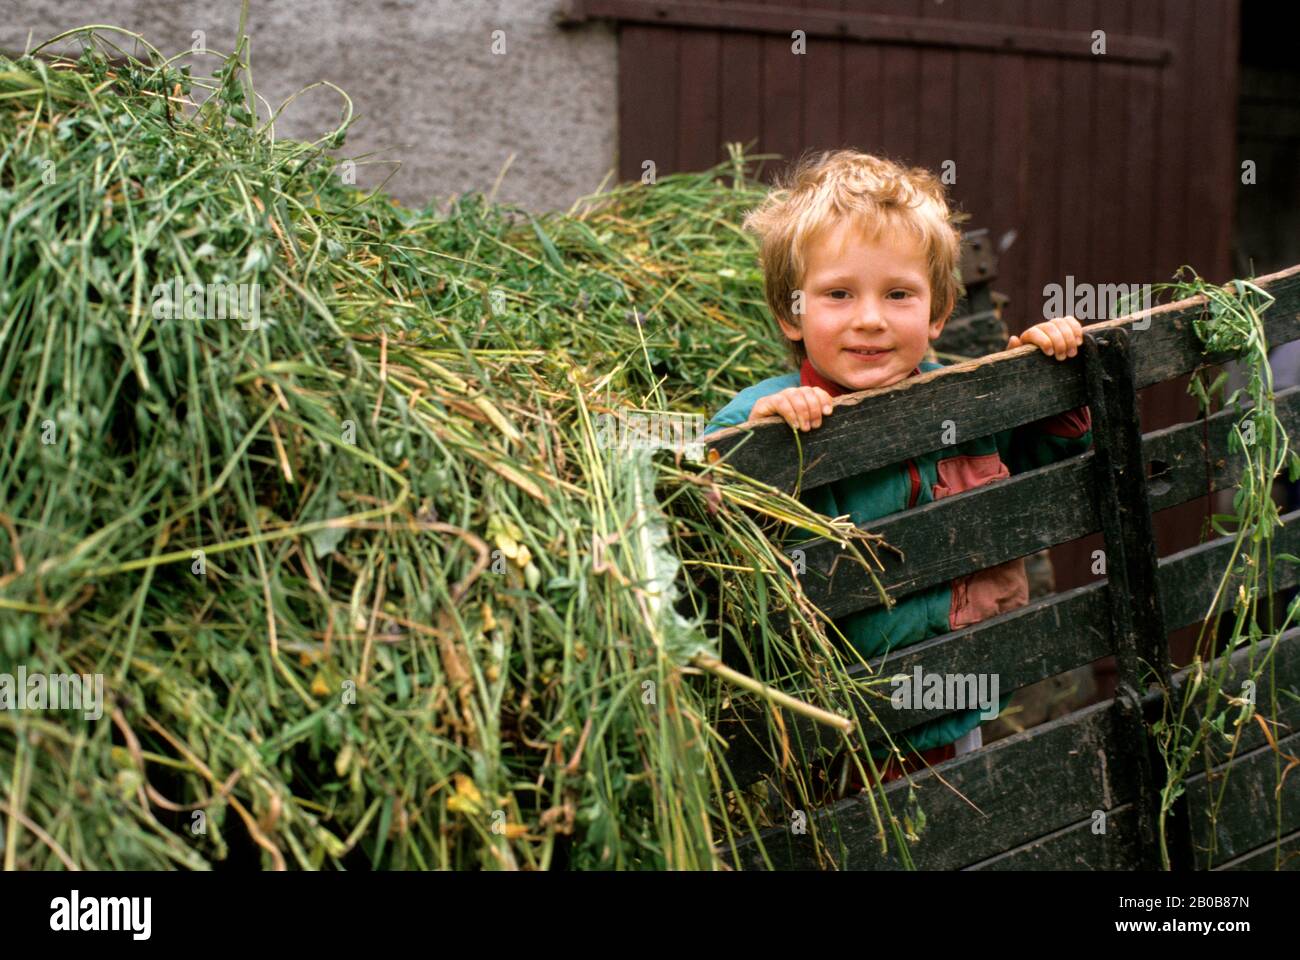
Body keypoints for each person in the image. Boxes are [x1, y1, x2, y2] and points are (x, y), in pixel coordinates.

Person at [700, 150, 1093, 794]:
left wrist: (1044, 386)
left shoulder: (969, 402)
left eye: (899, 294)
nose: (871, 319)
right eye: (838, 294)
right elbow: (701, 497)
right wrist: (760, 435)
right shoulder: (770, 412)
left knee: (944, 819)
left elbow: (1038, 477)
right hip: (830, 721)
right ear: (791, 313)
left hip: (950, 692)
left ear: (937, 313)